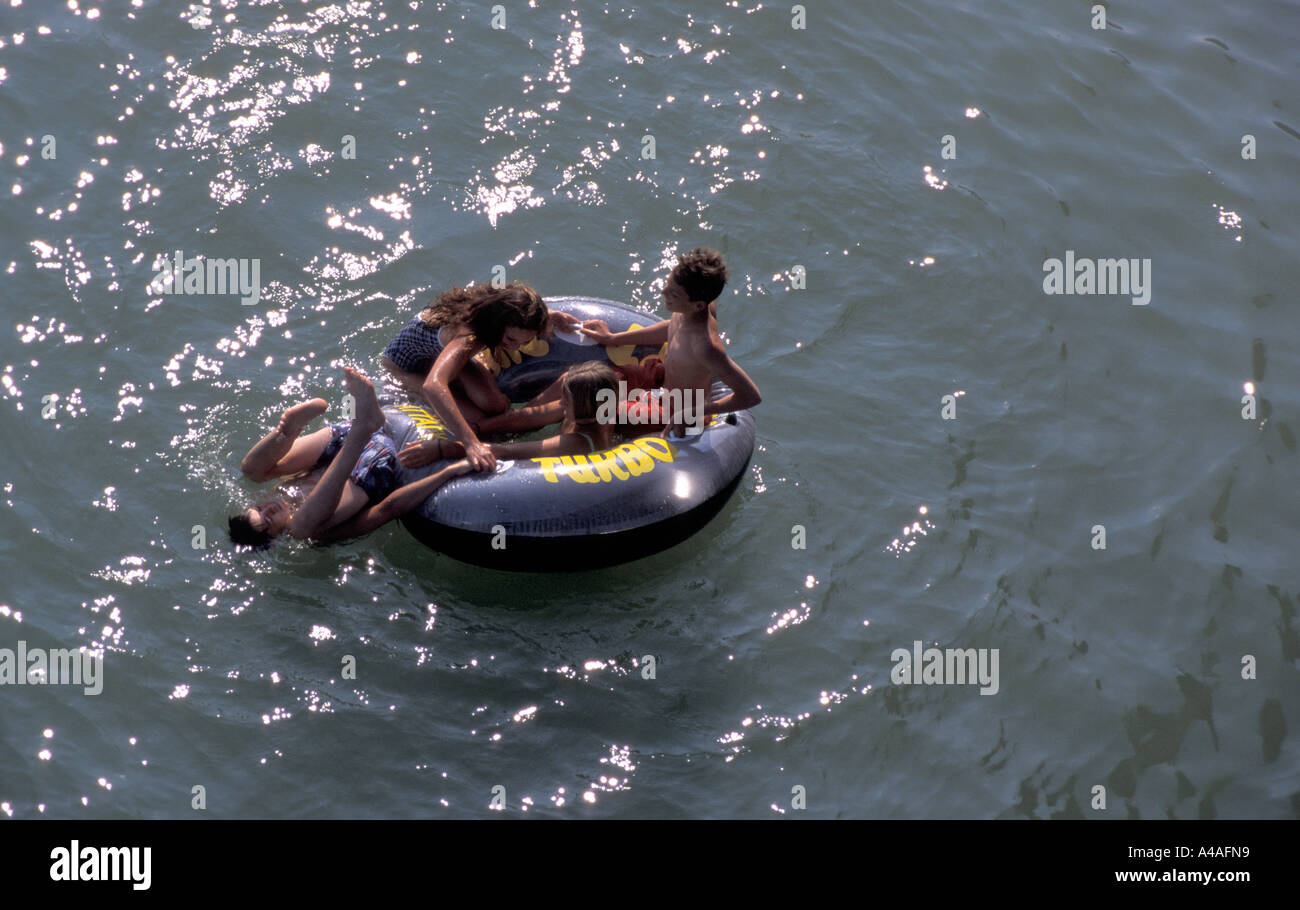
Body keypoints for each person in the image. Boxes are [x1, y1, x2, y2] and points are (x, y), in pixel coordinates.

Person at [228, 367, 472, 547]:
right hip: (374, 463)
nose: (269, 508)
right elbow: (388, 509)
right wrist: (449, 472)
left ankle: (287, 432)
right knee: (301, 530)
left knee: (251, 471)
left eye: (260, 508)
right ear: (273, 539)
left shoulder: (280, 495)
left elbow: (265, 493)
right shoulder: (320, 532)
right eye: (268, 519)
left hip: (340, 439)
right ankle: (362, 427)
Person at [379, 282, 578, 473]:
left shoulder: (497, 310)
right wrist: (471, 444)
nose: (516, 347)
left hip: (439, 356)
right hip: (406, 369)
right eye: (510, 339)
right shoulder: (470, 337)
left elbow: (522, 309)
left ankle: (459, 379)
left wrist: (549, 316)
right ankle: (444, 389)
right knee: (480, 423)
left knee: (497, 405)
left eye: (525, 341)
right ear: (498, 324)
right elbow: (433, 384)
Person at [578, 248, 761, 436]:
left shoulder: (705, 347)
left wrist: (694, 413)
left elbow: (751, 396)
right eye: (667, 283)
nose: (663, 291)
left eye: (673, 293)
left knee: (593, 407)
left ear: (699, 305)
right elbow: (671, 327)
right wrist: (613, 338)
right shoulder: (689, 310)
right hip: (661, 384)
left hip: (678, 412)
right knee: (585, 381)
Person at [398, 361, 619, 467]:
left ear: (580, 407)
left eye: (566, 400)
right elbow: (525, 416)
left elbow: (503, 452)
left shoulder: (576, 442)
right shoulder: (601, 408)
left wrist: (441, 448)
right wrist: (477, 428)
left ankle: (402, 379)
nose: (560, 403)